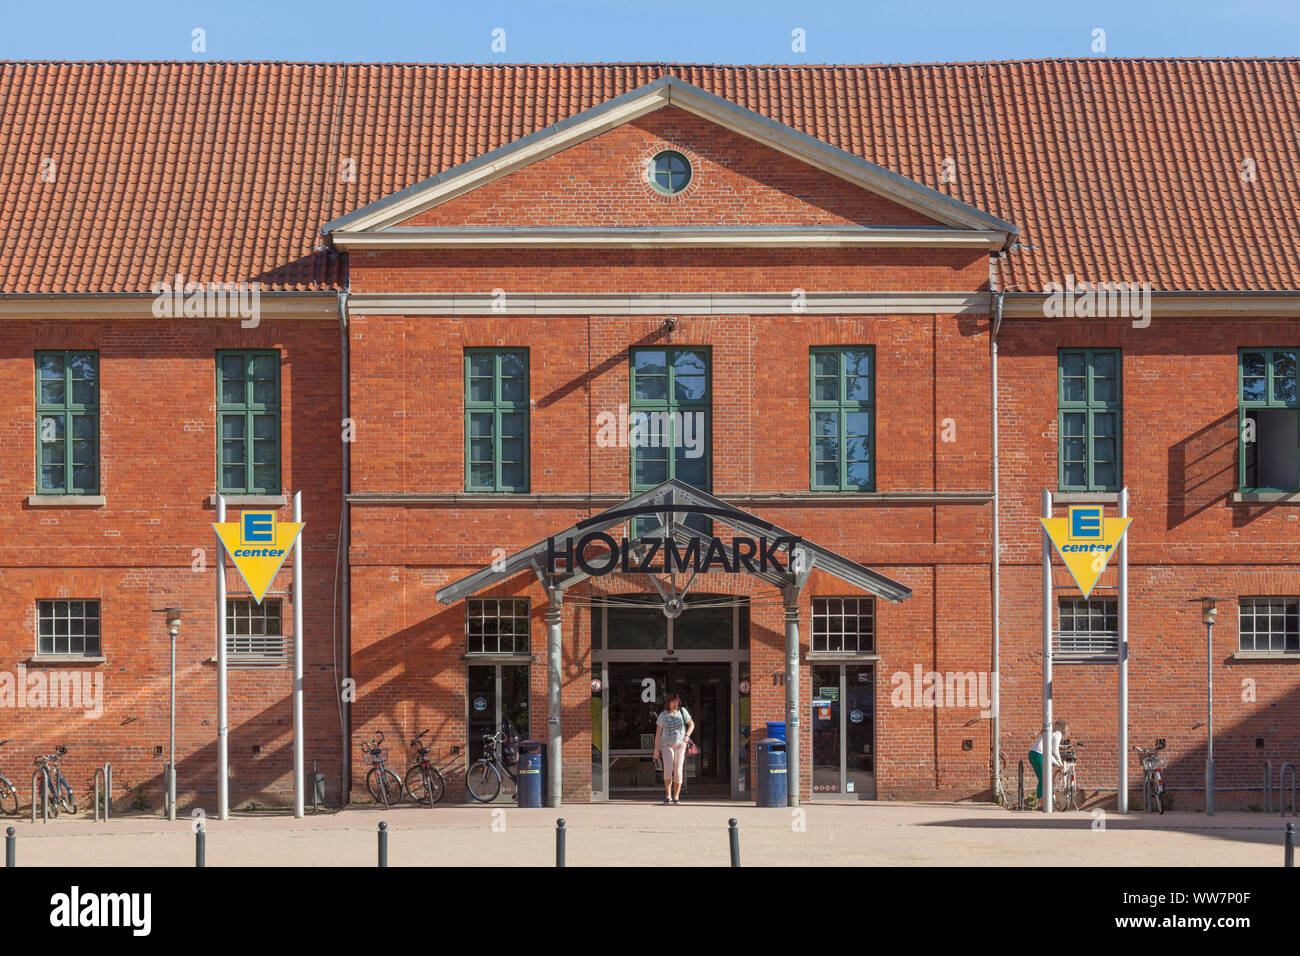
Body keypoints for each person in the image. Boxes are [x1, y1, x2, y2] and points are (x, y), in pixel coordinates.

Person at [653, 692, 694, 805]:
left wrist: (687, 735)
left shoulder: (682, 711)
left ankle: (676, 796)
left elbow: (691, 724)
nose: (675, 703)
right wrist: (656, 749)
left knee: (678, 770)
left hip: (681, 744)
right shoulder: (663, 715)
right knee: (668, 768)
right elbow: (658, 734)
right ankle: (668, 795)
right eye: (673, 701)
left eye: (677, 701)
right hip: (667, 744)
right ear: (668, 702)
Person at [1028, 719, 1068, 807]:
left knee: (1042, 779)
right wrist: (1060, 764)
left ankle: (1042, 803)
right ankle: (1041, 804)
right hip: (1039, 754)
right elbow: (1055, 751)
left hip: (1032, 754)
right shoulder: (1058, 733)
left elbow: (1049, 751)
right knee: (1044, 779)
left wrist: (1057, 763)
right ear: (1063, 728)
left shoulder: (1050, 730)